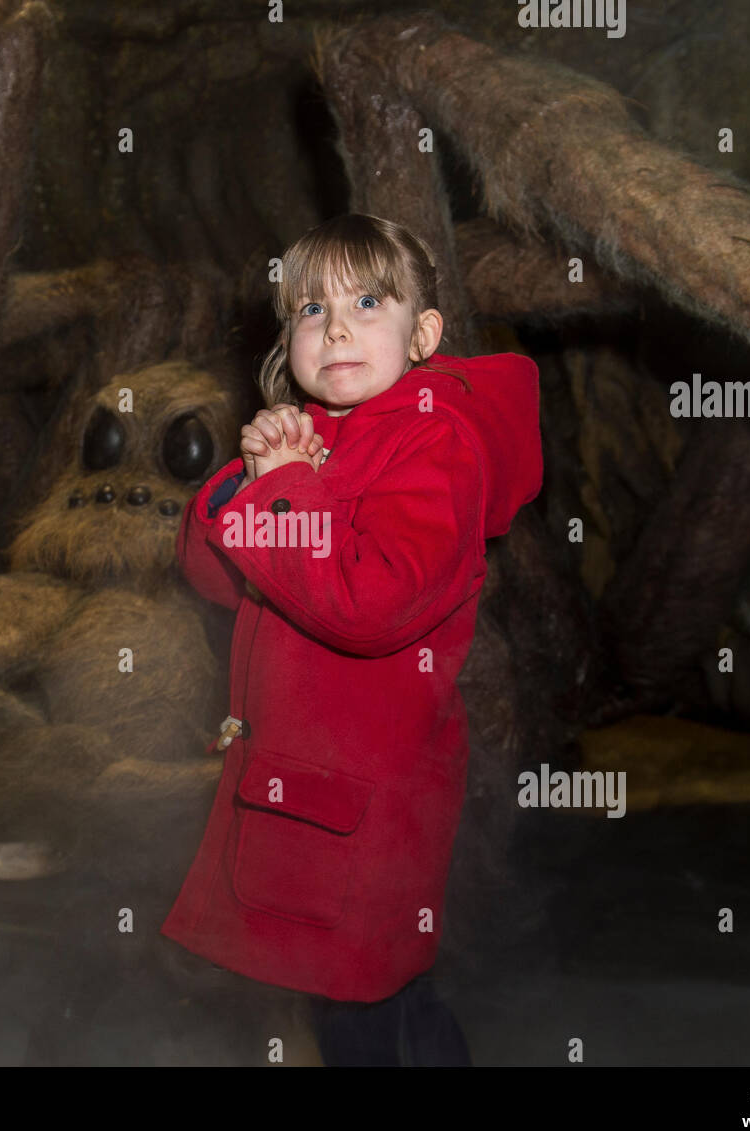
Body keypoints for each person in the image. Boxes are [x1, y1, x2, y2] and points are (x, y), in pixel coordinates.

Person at [160, 212, 543, 1065]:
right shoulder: (324, 436)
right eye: (307, 309)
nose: (334, 327)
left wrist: (289, 490)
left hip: (365, 808)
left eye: (368, 302)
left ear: (424, 335)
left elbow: (374, 601)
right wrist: (252, 477)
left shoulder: (435, 442)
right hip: (307, 799)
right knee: (385, 1000)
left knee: (360, 1017)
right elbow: (218, 580)